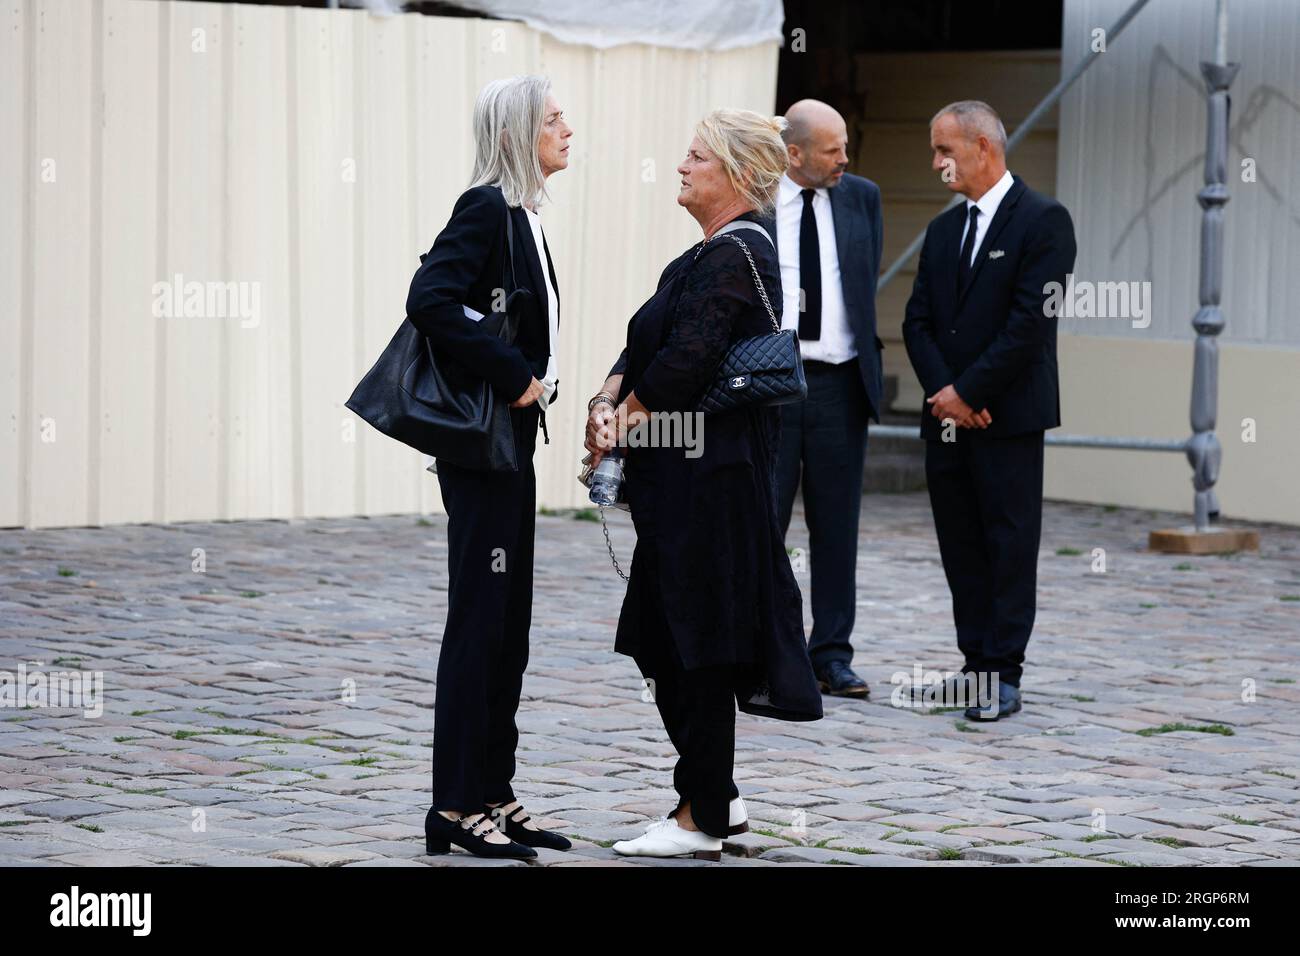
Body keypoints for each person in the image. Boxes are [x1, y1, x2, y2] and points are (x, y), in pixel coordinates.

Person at [585, 109, 823, 862]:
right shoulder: (701, 254)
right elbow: (642, 344)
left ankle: (701, 816)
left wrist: (620, 424)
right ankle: (715, 792)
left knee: (696, 644)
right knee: (661, 638)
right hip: (679, 482)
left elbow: (686, 363)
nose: (680, 167)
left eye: (695, 157)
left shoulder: (736, 253)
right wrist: (605, 402)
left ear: (738, 175)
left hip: (711, 485)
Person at [406, 74, 573, 858]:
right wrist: (513, 375)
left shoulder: (527, 217)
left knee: (509, 626)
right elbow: (430, 299)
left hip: (512, 450)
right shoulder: (485, 207)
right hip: (479, 452)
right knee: (479, 621)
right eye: (552, 119)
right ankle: (453, 805)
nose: (566, 128)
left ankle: (494, 794)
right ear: (517, 135)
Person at [901, 100, 1077, 722]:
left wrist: (970, 393)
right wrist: (946, 394)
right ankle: (974, 665)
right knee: (960, 545)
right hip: (948, 421)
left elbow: (1031, 323)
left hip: (1009, 418)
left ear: (984, 147)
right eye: (934, 150)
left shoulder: (1044, 221)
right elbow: (916, 320)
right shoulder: (946, 228)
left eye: (945, 149)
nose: (936, 162)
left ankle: (1004, 672)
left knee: (1007, 543)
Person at [769, 99, 885, 699]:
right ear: (795, 154)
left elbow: (864, 288)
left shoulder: (862, 197)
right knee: (765, 522)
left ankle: (832, 654)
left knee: (837, 526)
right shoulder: (760, 201)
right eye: (832, 148)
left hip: (841, 383)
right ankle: (767, 649)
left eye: (845, 146)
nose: (845, 158)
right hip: (773, 386)